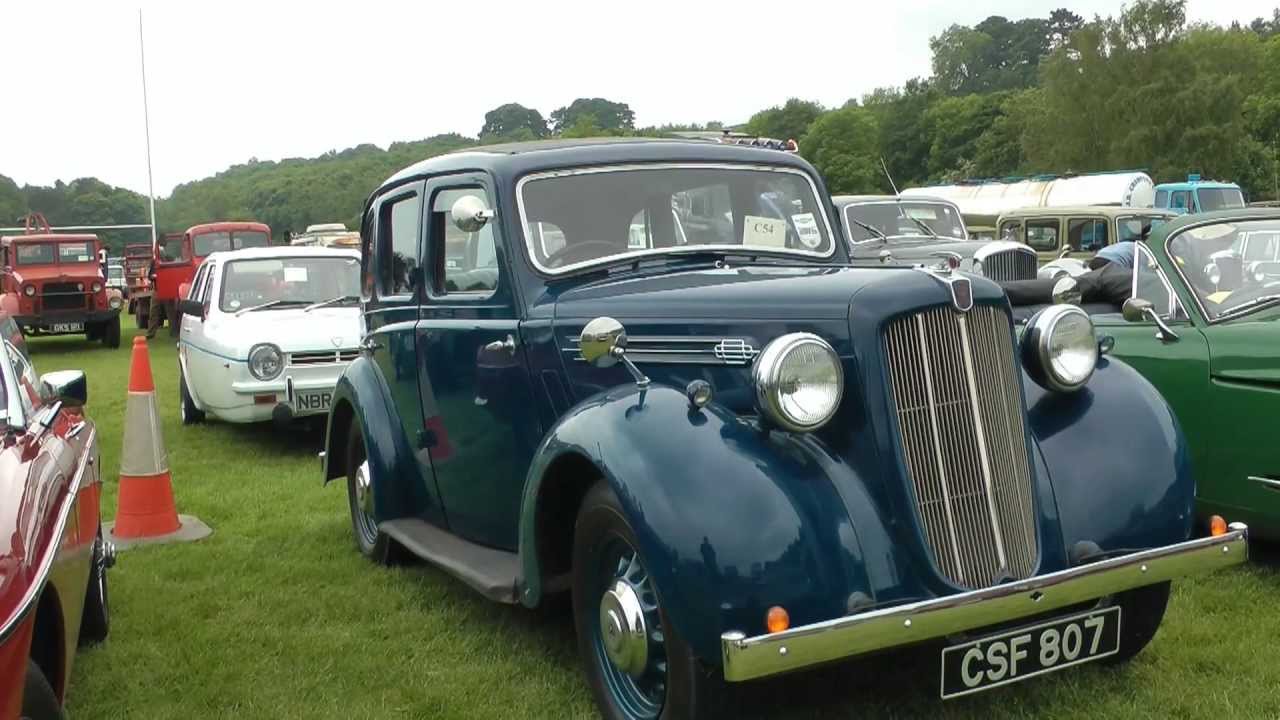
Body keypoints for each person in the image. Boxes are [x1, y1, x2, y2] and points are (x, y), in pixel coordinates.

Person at [144, 258, 165, 339]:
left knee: (171, 311)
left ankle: (174, 332)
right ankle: (151, 333)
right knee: (153, 311)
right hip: (157, 289)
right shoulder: (154, 261)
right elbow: (150, 276)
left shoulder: (169, 259)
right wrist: (154, 276)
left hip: (168, 287)